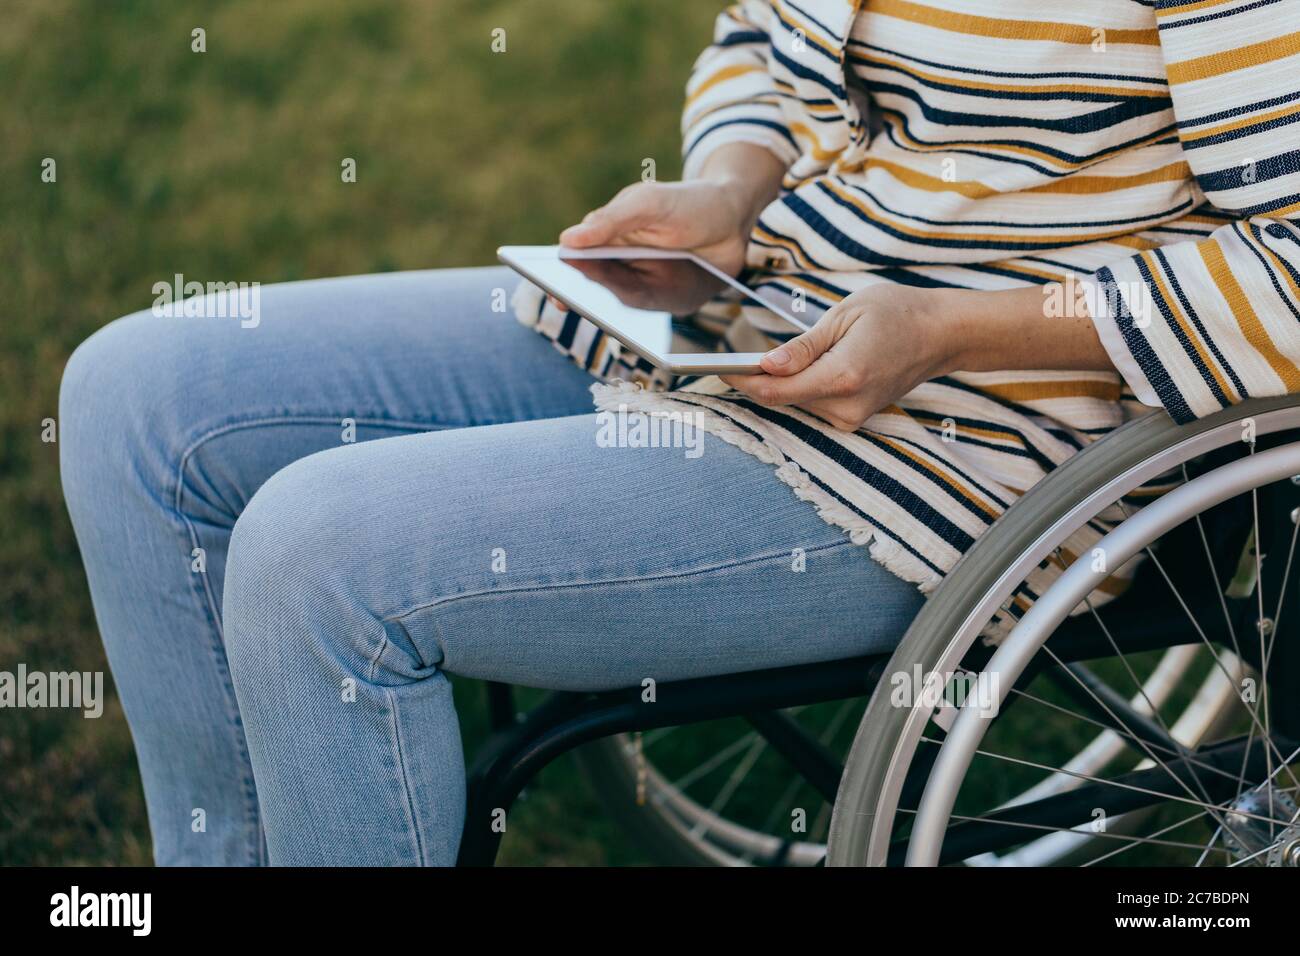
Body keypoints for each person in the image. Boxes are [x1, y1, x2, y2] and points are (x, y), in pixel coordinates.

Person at [60, 0, 1300, 864]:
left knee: (315, 557)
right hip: (760, 304)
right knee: (137, 398)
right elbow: (764, 41)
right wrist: (727, 188)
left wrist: (947, 329)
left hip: (971, 437)